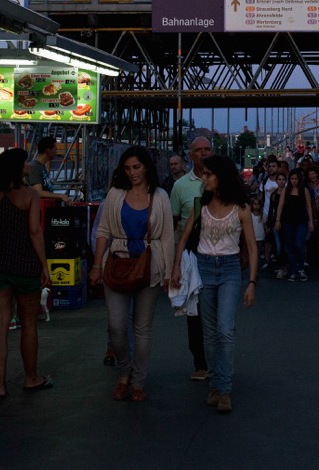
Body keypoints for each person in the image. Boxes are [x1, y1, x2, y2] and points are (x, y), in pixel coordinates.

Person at [172, 155, 258, 414]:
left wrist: (252, 282)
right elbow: (185, 235)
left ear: (222, 177)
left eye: (209, 174)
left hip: (230, 268)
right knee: (209, 333)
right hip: (204, 267)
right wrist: (176, 266)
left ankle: (224, 388)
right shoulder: (201, 204)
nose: (204, 178)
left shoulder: (241, 207)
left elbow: (252, 246)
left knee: (224, 329)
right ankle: (216, 384)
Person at [89, 146, 174, 403]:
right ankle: (125, 370)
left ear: (146, 167)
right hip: (117, 261)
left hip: (150, 264)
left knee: (142, 328)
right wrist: (97, 265)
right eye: (127, 168)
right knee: (116, 327)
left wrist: (169, 272)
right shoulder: (115, 194)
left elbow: (167, 236)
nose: (132, 173)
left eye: (136, 167)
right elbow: (103, 230)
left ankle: (137, 381)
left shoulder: (160, 196)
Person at [0, 148, 53, 398]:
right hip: (24, 264)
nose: (28, 166)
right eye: (24, 163)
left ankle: (0, 385)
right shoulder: (30, 194)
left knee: (0, 322)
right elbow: (34, 231)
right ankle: (31, 378)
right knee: (29, 323)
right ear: (17, 167)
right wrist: (44, 264)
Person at [170, 137, 211, 380]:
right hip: (192, 256)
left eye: (207, 149)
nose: (203, 153)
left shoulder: (224, 182)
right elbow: (174, 225)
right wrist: (175, 263)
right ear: (191, 154)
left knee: (218, 312)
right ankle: (200, 363)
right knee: (194, 312)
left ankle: (219, 360)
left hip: (219, 255)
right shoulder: (181, 186)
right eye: (198, 150)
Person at [275, 169, 315, 281]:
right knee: (290, 246)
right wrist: (278, 220)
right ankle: (293, 271)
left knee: (299, 244)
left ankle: (301, 268)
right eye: (292, 179)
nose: (294, 181)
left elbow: (308, 206)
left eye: (296, 179)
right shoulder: (286, 190)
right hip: (288, 221)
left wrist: (311, 221)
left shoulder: (304, 190)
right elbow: (280, 206)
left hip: (301, 221)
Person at [27, 137, 72, 204]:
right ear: (48, 150)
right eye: (55, 149)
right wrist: (61, 196)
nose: (56, 152)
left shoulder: (41, 166)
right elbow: (38, 192)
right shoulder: (34, 167)